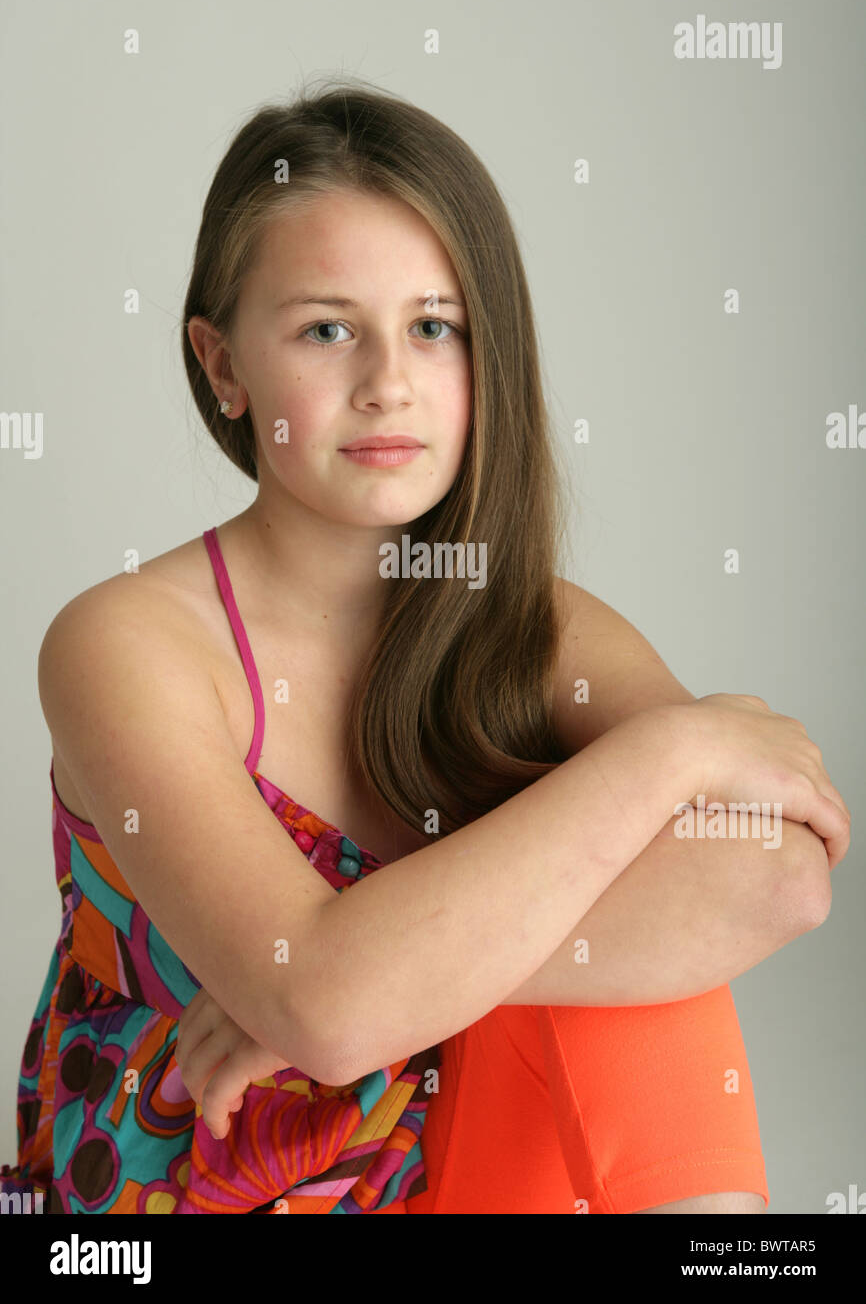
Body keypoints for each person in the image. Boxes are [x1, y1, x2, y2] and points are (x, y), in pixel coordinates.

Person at [1, 78, 849, 1215]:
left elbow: (782, 877)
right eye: (326, 328)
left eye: (433, 327)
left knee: (650, 991)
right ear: (222, 365)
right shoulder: (124, 644)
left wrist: (386, 981)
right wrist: (667, 758)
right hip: (178, 1194)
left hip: (457, 1176)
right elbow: (330, 1005)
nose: (388, 382)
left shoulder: (530, 622)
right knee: (596, 897)